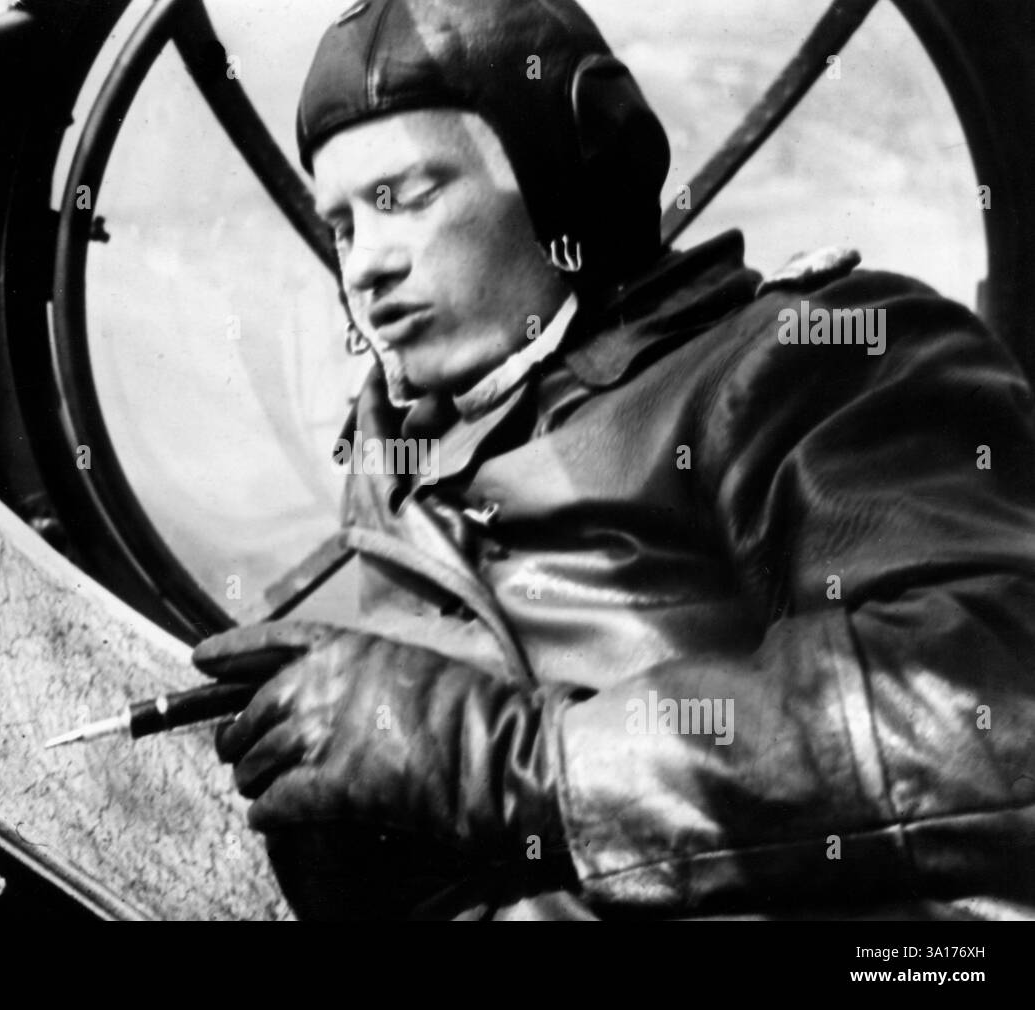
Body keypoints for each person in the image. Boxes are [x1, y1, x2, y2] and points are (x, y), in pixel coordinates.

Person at [191, 0, 1035, 920]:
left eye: (405, 198)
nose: (365, 267)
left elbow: (984, 712)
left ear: (567, 175)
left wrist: (507, 765)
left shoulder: (806, 357)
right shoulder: (406, 483)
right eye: (345, 226)